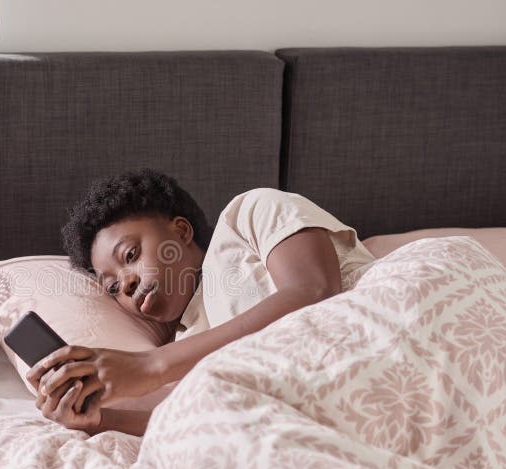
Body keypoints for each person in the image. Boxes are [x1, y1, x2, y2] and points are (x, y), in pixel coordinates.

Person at [27, 168, 375, 436]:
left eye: (131, 254)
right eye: (114, 288)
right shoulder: (187, 345)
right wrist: (97, 420)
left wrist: (151, 365)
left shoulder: (248, 214)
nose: (128, 283)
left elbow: (313, 291)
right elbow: (196, 423)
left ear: (180, 231)